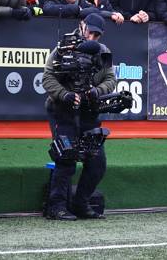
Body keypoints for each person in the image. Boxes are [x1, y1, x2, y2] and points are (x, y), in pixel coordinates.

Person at [41, 14, 116, 220]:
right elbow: (47, 78)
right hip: (62, 110)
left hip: (89, 111)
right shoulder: (62, 48)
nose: (91, 36)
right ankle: (56, 207)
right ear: (82, 26)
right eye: (89, 31)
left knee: (97, 162)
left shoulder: (104, 52)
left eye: (96, 34)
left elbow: (111, 79)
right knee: (66, 157)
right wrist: (65, 95)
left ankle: (80, 203)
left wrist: (96, 92)